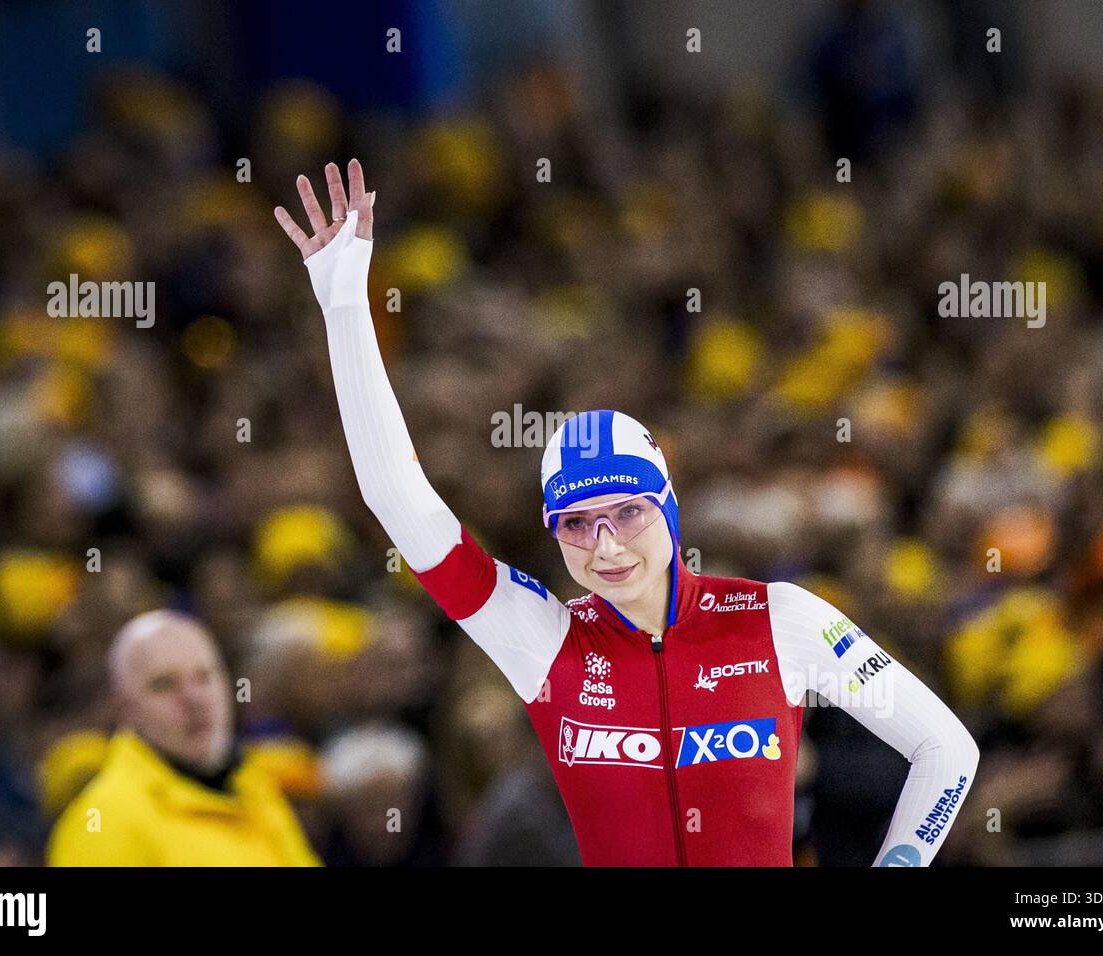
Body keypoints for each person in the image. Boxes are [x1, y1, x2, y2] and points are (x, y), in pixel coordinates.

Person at [275, 159, 979, 866]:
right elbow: (395, 495)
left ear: (670, 512)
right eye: (577, 523)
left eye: (629, 513)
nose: (606, 544)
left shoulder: (780, 619)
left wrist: (903, 859)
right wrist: (344, 307)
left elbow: (944, 748)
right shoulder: (546, 643)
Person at [47, 610, 320, 866]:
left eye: (204, 677)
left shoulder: (254, 790)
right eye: (164, 685)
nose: (194, 699)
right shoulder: (103, 823)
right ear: (125, 711)